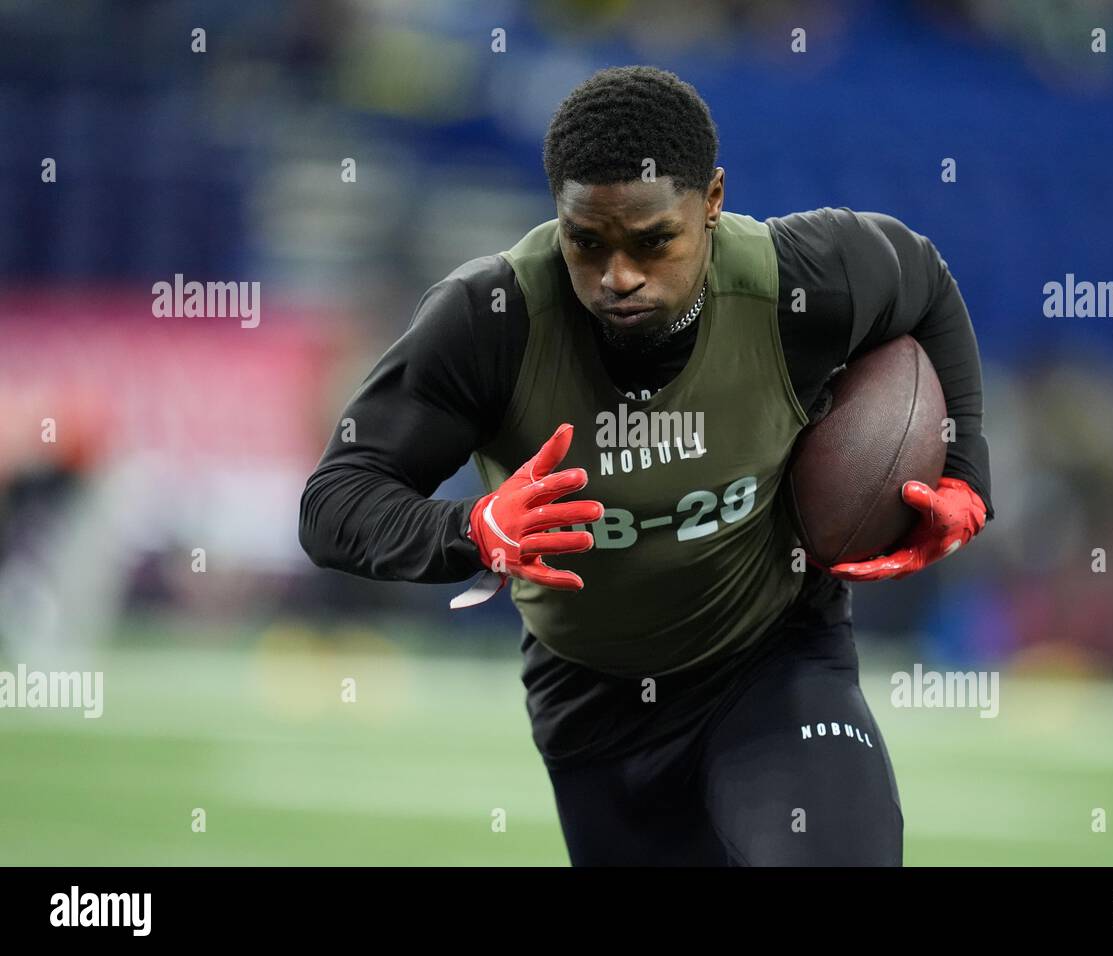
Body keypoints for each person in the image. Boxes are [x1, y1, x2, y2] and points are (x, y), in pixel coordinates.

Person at [299, 65, 992, 866]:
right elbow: (333, 501)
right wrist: (471, 529)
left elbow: (927, 283)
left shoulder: (804, 279)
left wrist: (965, 474)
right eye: (586, 243)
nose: (617, 276)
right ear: (556, 212)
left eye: (654, 241)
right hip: (591, 694)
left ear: (714, 201)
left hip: (772, 657)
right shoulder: (491, 319)